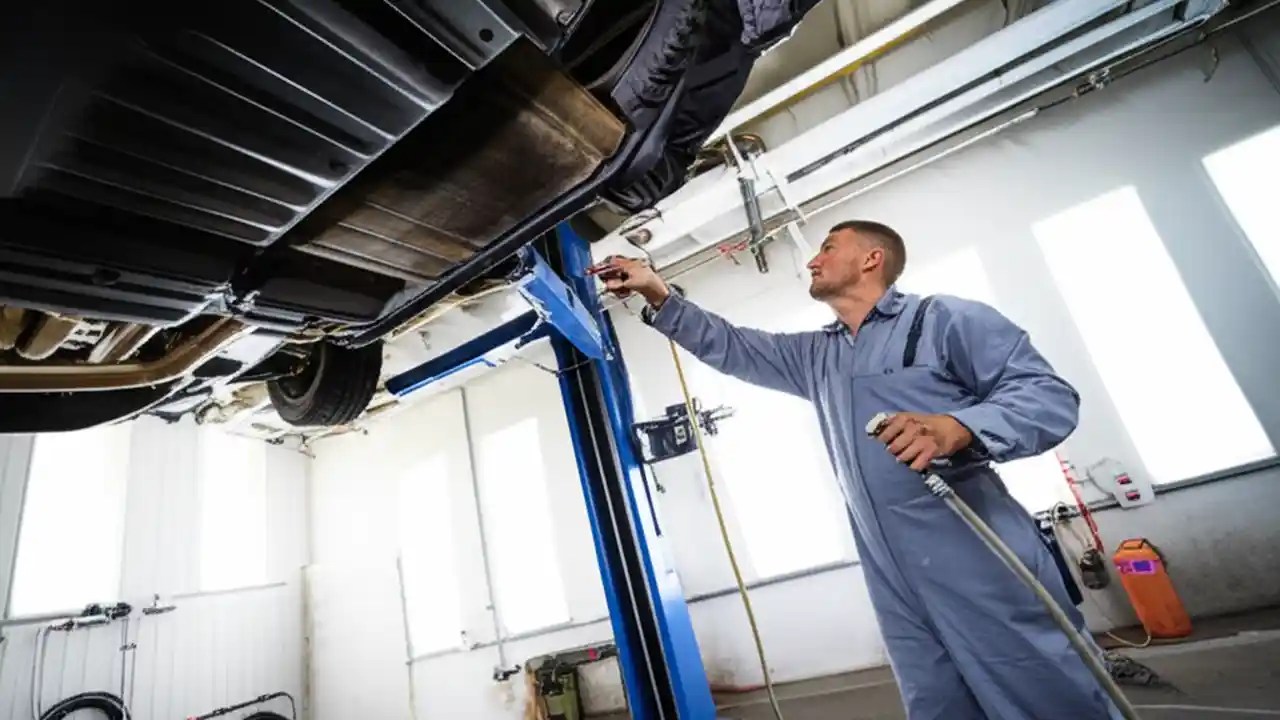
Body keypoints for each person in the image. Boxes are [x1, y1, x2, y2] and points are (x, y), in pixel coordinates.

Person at [601, 220, 1121, 720]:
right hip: (888, 566)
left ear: (872, 258)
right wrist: (658, 293)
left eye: (828, 247)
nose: (813, 259)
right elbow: (735, 346)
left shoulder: (942, 320)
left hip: (974, 549)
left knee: (1041, 686)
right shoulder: (817, 356)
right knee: (938, 700)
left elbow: (1047, 396)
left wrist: (958, 427)